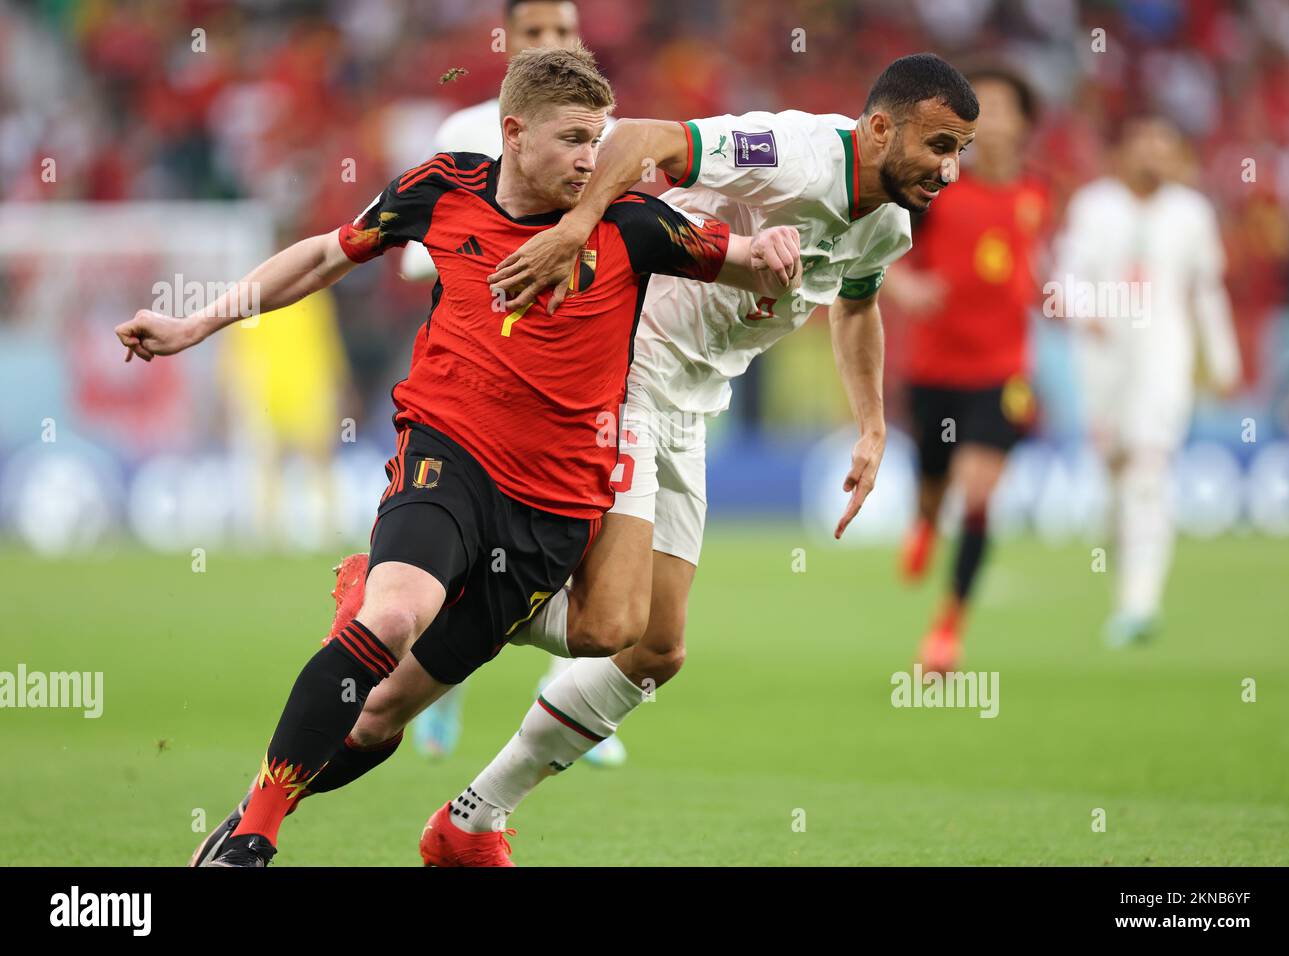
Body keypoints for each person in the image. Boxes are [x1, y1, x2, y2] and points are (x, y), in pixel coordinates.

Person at [118, 46, 801, 867]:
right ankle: (255, 837)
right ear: (515, 133)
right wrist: (199, 322)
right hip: (450, 456)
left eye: (601, 138)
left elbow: (744, 260)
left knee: (380, 719)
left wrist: (777, 249)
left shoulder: (634, 225)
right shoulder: (442, 189)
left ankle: (260, 791)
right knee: (396, 613)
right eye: (575, 139)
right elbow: (329, 253)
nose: (594, 159)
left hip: (552, 505)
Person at [325, 53, 979, 866]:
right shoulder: (791, 153)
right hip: (626, 370)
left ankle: (471, 819)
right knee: (606, 619)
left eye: (962, 152)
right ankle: (430, 583)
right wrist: (573, 231)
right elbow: (642, 140)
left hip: (693, 402)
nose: (950, 169)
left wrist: (874, 424)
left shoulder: (888, 223)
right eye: (940, 145)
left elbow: (858, 304)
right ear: (882, 126)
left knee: (654, 649)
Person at [394, 0, 626, 768]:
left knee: (576, 541)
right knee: (463, 547)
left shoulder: (604, 134)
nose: (553, 42)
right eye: (536, 34)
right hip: (482, 362)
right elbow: (418, 252)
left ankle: (568, 695)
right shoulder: (466, 132)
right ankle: (439, 688)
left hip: (574, 367)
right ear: (507, 43)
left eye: (564, 31)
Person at [884, 64, 1049, 673]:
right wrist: (908, 290)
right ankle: (925, 522)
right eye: (987, 110)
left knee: (979, 494)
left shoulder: (1039, 193)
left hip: (1003, 372)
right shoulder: (937, 186)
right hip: (934, 368)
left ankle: (946, 630)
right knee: (935, 485)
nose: (994, 120)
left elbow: (1036, 266)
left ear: (1025, 123)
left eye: (1005, 107)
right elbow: (887, 254)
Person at [1054, 115, 1240, 646]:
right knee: (1115, 470)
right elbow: (1066, 273)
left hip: (1164, 356)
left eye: (1166, 144)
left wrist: (1222, 360)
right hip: (1103, 360)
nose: (1155, 154)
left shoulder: (1192, 214)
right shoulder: (1095, 206)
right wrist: (1081, 309)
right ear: (1124, 151)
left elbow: (1206, 290)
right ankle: (1123, 563)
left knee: (1149, 467)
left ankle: (1140, 603)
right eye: (1145, 143)